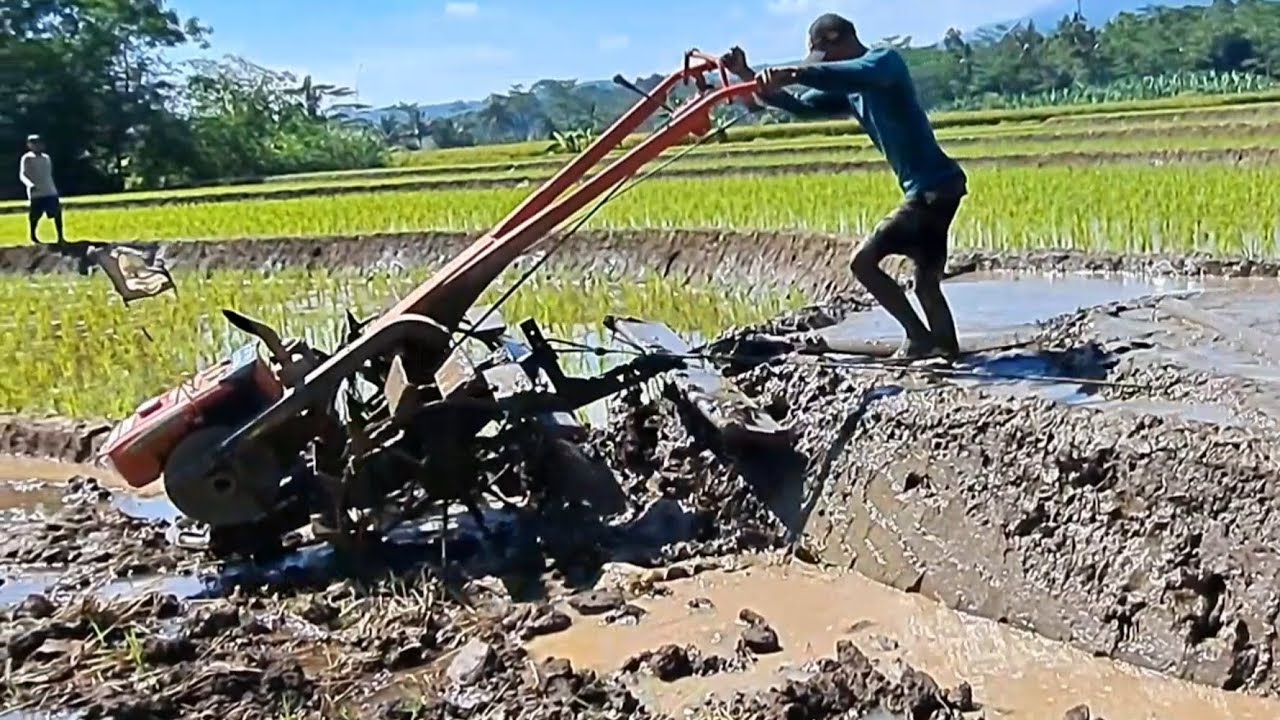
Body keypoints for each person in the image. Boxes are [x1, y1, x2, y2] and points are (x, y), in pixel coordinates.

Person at [721, 13, 967, 359]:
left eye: (826, 56)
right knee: (925, 283)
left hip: (931, 188)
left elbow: (854, 73)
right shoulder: (852, 92)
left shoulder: (883, 62)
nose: (826, 66)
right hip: (939, 186)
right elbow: (802, 107)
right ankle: (946, 352)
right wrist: (749, 77)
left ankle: (918, 338)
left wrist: (794, 73)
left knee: (862, 263)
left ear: (840, 39)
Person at [19, 134, 65, 244]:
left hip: (50, 190)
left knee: (57, 213)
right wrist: (29, 184)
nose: (38, 146)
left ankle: (60, 237)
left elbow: (48, 175)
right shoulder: (27, 158)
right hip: (36, 192)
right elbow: (23, 174)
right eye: (34, 144)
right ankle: (33, 235)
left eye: (39, 143)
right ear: (29, 145)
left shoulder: (46, 158)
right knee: (35, 215)